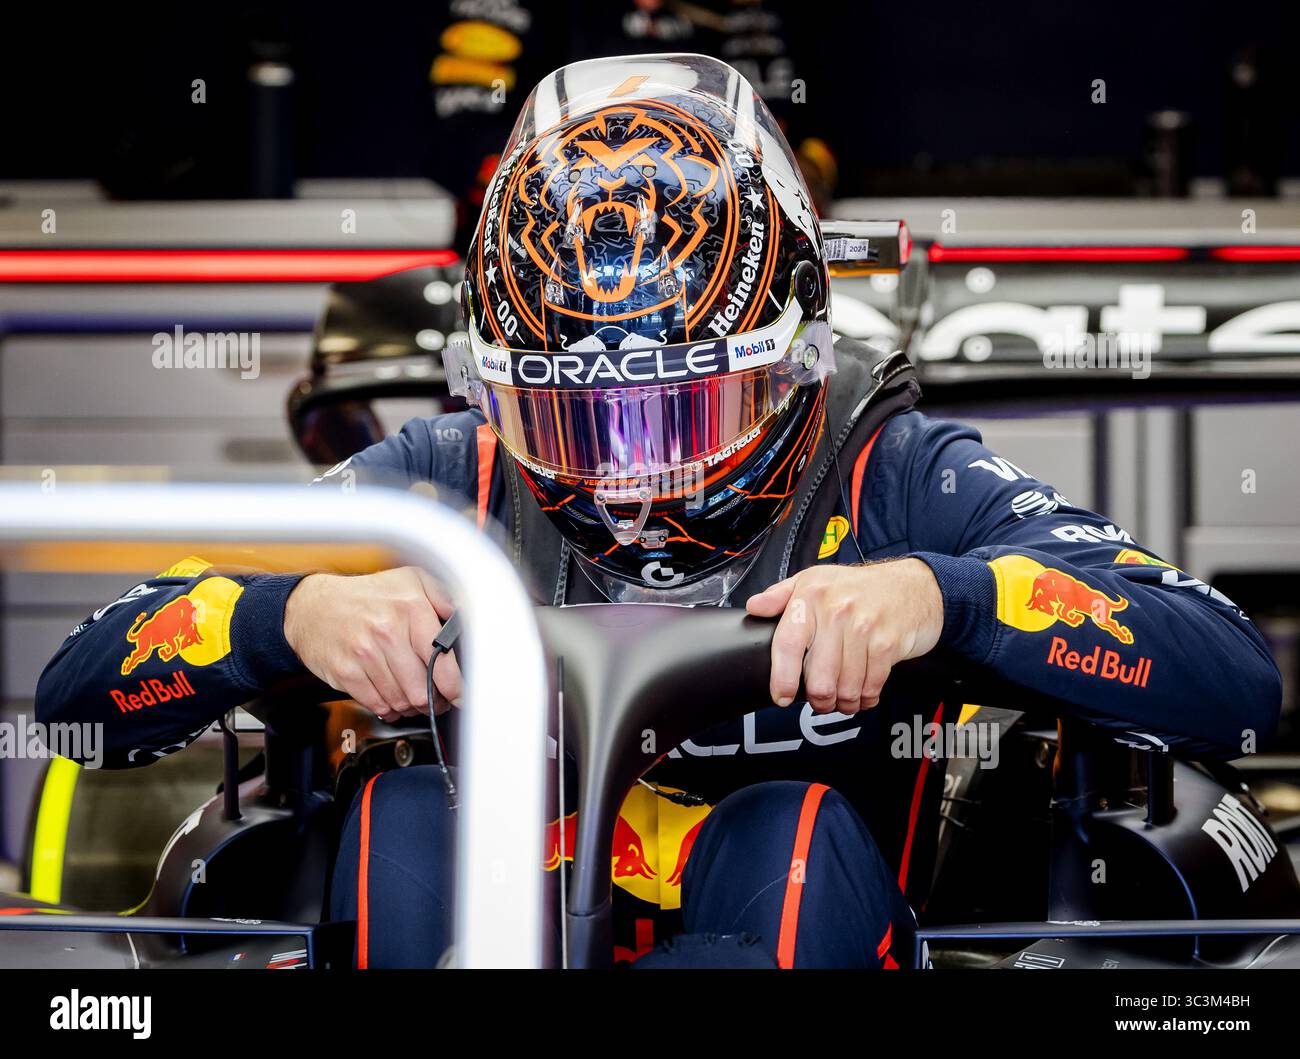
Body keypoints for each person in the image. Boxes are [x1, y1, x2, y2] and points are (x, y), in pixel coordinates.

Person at [36, 54, 1281, 969]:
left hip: (825, 931)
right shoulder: (438, 478)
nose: (628, 476)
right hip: (485, 931)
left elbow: (1228, 671)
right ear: (497, 394)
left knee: (786, 842)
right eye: (578, 420)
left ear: (792, 356)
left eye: (677, 415)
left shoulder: (894, 474)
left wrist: (937, 597)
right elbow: (77, 693)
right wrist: (289, 615)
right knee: (392, 827)